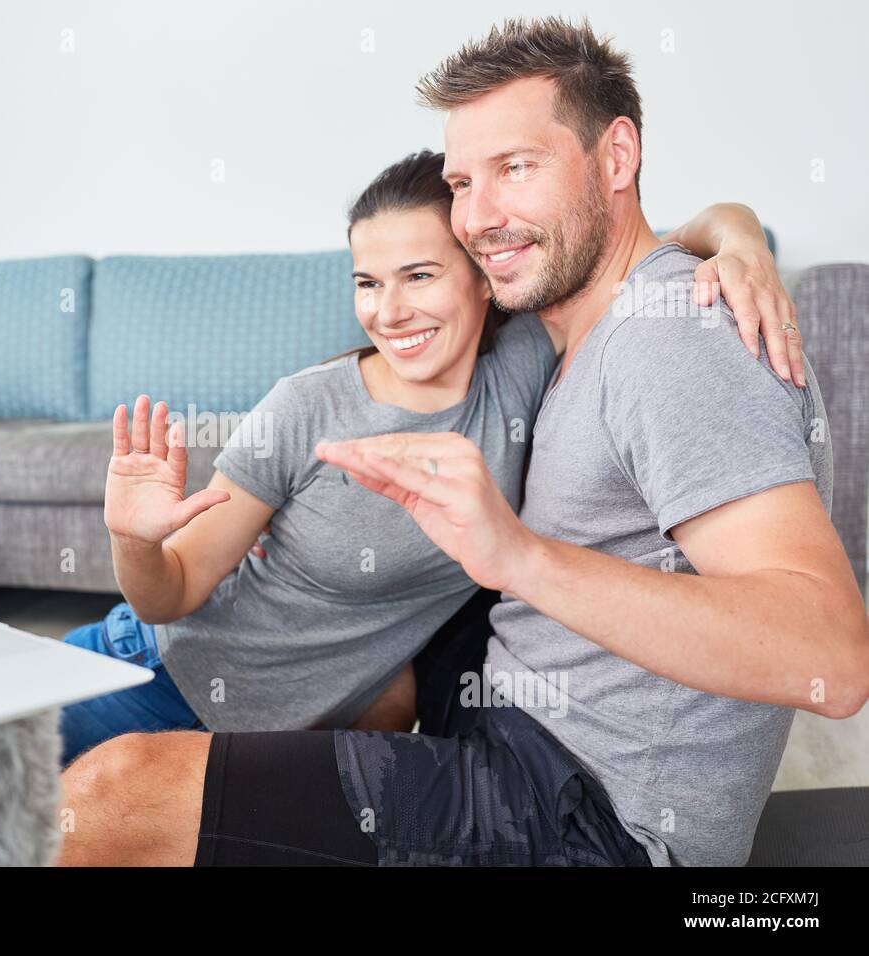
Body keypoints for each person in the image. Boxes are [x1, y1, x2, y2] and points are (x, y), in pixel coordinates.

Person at [56, 17, 868, 867]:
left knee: (116, 796)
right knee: (373, 677)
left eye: (516, 168)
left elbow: (832, 657)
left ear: (616, 157)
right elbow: (688, 225)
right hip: (508, 711)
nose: (479, 216)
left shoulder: (672, 343)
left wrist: (516, 556)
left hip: (587, 810)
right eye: (461, 183)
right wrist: (735, 230)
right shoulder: (560, 329)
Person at [57, 148, 793, 769]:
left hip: (272, 744)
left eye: (419, 276)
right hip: (154, 671)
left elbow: (673, 235)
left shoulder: (525, 361)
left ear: (483, 274)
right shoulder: (303, 406)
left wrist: (745, 242)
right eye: (368, 283)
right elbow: (170, 594)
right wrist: (133, 539)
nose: (389, 311)